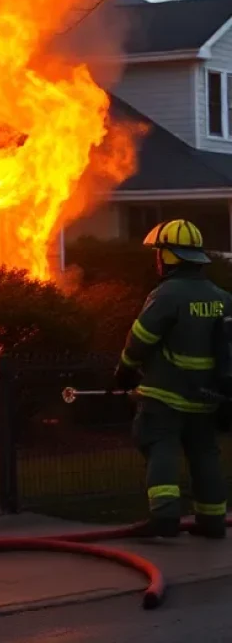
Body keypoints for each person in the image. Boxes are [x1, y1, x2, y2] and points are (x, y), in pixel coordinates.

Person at [114, 219, 231, 540]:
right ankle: (212, 521)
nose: (157, 259)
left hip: (165, 394)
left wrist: (124, 369)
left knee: (159, 444)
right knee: (205, 454)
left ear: (170, 257)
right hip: (208, 397)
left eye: (160, 253)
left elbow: (139, 339)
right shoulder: (221, 297)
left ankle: (165, 516)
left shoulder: (167, 295)